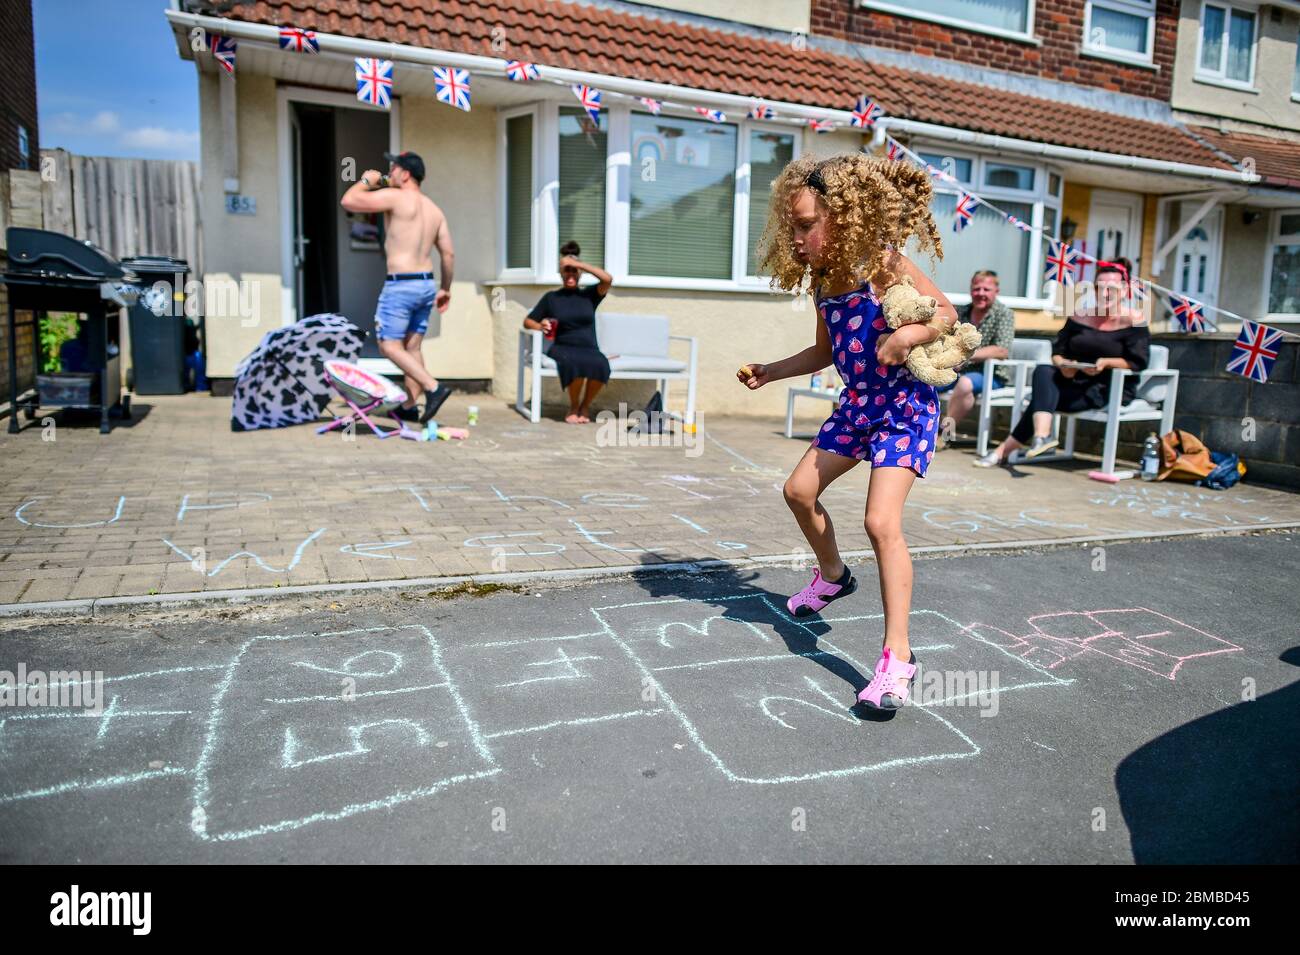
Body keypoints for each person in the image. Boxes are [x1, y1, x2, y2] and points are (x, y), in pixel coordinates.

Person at [737, 154, 957, 711]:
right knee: (797, 491)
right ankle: (833, 575)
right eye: (794, 227)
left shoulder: (881, 264)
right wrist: (770, 370)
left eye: (808, 224)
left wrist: (906, 337)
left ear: (843, 217)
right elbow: (824, 351)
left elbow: (947, 314)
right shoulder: (820, 280)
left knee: (880, 521)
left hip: (905, 406)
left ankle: (898, 659)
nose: (800, 236)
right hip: (858, 406)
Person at [974, 257, 1149, 466]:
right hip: (1072, 380)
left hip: (1106, 388)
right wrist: (1064, 365)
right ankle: (1039, 436)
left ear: (1124, 289)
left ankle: (1012, 447)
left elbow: (1138, 362)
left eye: (1111, 288)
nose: (1104, 294)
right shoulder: (1079, 316)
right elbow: (1057, 351)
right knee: (1044, 371)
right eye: (1098, 287)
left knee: (1041, 401)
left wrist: (1107, 362)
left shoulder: (1134, 320)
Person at [340, 150, 454, 424]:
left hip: (401, 285)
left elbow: (349, 200)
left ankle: (433, 388)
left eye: (393, 168)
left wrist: (367, 180)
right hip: (426, 284)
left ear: (405, 174)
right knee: (412, 347)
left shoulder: (397, 196)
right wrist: (445, 288)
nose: (389, 173)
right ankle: (411, 406)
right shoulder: (434, 209)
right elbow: (448, 254)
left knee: (388, 346)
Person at [523, 241, 614, 423]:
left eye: (574, 271)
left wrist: (577, 263)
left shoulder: (590, 295)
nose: (570, 274)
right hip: (563, 347)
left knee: (601, 364)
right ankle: (573, 406)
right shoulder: (552, 298)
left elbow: (607, 279)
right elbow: (528, 321)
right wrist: (540, 326)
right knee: (574, 363)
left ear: (580, 273)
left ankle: (585, 406)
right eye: (567, 270)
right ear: (561, 273)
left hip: (588, 347)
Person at [934, 270, 1013, 440]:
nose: (981, 294)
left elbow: (1001, 350)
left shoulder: (1004, 314)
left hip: (991, 374)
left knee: (965, 384)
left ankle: (944, 434)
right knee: (925, 381)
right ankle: (916, 428)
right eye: (977, 289)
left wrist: (966, 356)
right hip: (956, 369)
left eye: (986, 289)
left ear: (996, 292)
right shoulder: (961, 312)